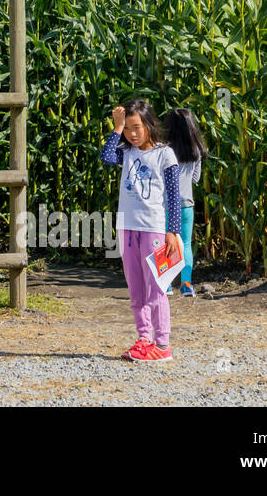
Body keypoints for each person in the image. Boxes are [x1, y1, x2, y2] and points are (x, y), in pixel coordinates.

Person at [100, 99, 182, 363]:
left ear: (149, 124)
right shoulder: (126, 151)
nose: (132, 134)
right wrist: (116, 127)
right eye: (128, 130)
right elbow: (106, 156)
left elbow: (174, 196)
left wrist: (173, 231)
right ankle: (144, 338)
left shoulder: (164, 154)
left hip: (154, 230)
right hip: (127, 229)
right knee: (136, 290)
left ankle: (163, 344)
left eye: (136, 128)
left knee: (157, 289)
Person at [162, 107, 207, 297]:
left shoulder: (164, 150)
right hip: (187, 203)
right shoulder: (196, 150)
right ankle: (187, 284)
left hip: (165, 205)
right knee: (186, 244)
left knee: (166, 244)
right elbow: (196, 179)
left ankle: (166, 284)